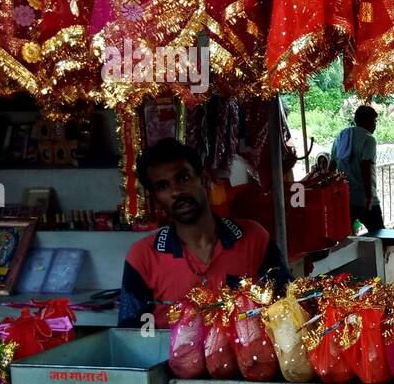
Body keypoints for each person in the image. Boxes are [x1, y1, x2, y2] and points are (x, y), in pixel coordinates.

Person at [119, 138, 291, 329]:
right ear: (156, 199)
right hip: (170, 359)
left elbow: (288, 309)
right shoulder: (143, 257)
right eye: (163, 186)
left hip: (252, 357)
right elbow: (131, 337)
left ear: (204, 180)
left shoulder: (253, 238)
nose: (176, 191)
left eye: (183, 178)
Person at [331, 105, 382, 231]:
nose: (375, 125)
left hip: (346, 196)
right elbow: (365, 167)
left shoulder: (341, 136)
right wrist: (369, 196)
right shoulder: (369, 139)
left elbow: (332, 164)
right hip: (363, 197)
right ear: (369, 121)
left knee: (343, 235)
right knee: (380, 233)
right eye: (374, 121)